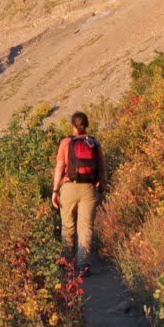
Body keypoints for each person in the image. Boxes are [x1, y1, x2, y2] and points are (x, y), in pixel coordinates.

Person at [51, 111, 103, 276]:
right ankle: (83, 266)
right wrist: (100, 188)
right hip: (89, 189)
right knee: (85, 228)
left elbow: (60, 167)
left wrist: (55, 190)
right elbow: (102, 170)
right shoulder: (94, 143)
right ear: (86, 125)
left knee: (68, 227)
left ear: (73, 125)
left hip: (69, 187)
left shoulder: (66, 143)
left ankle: (66, 264)